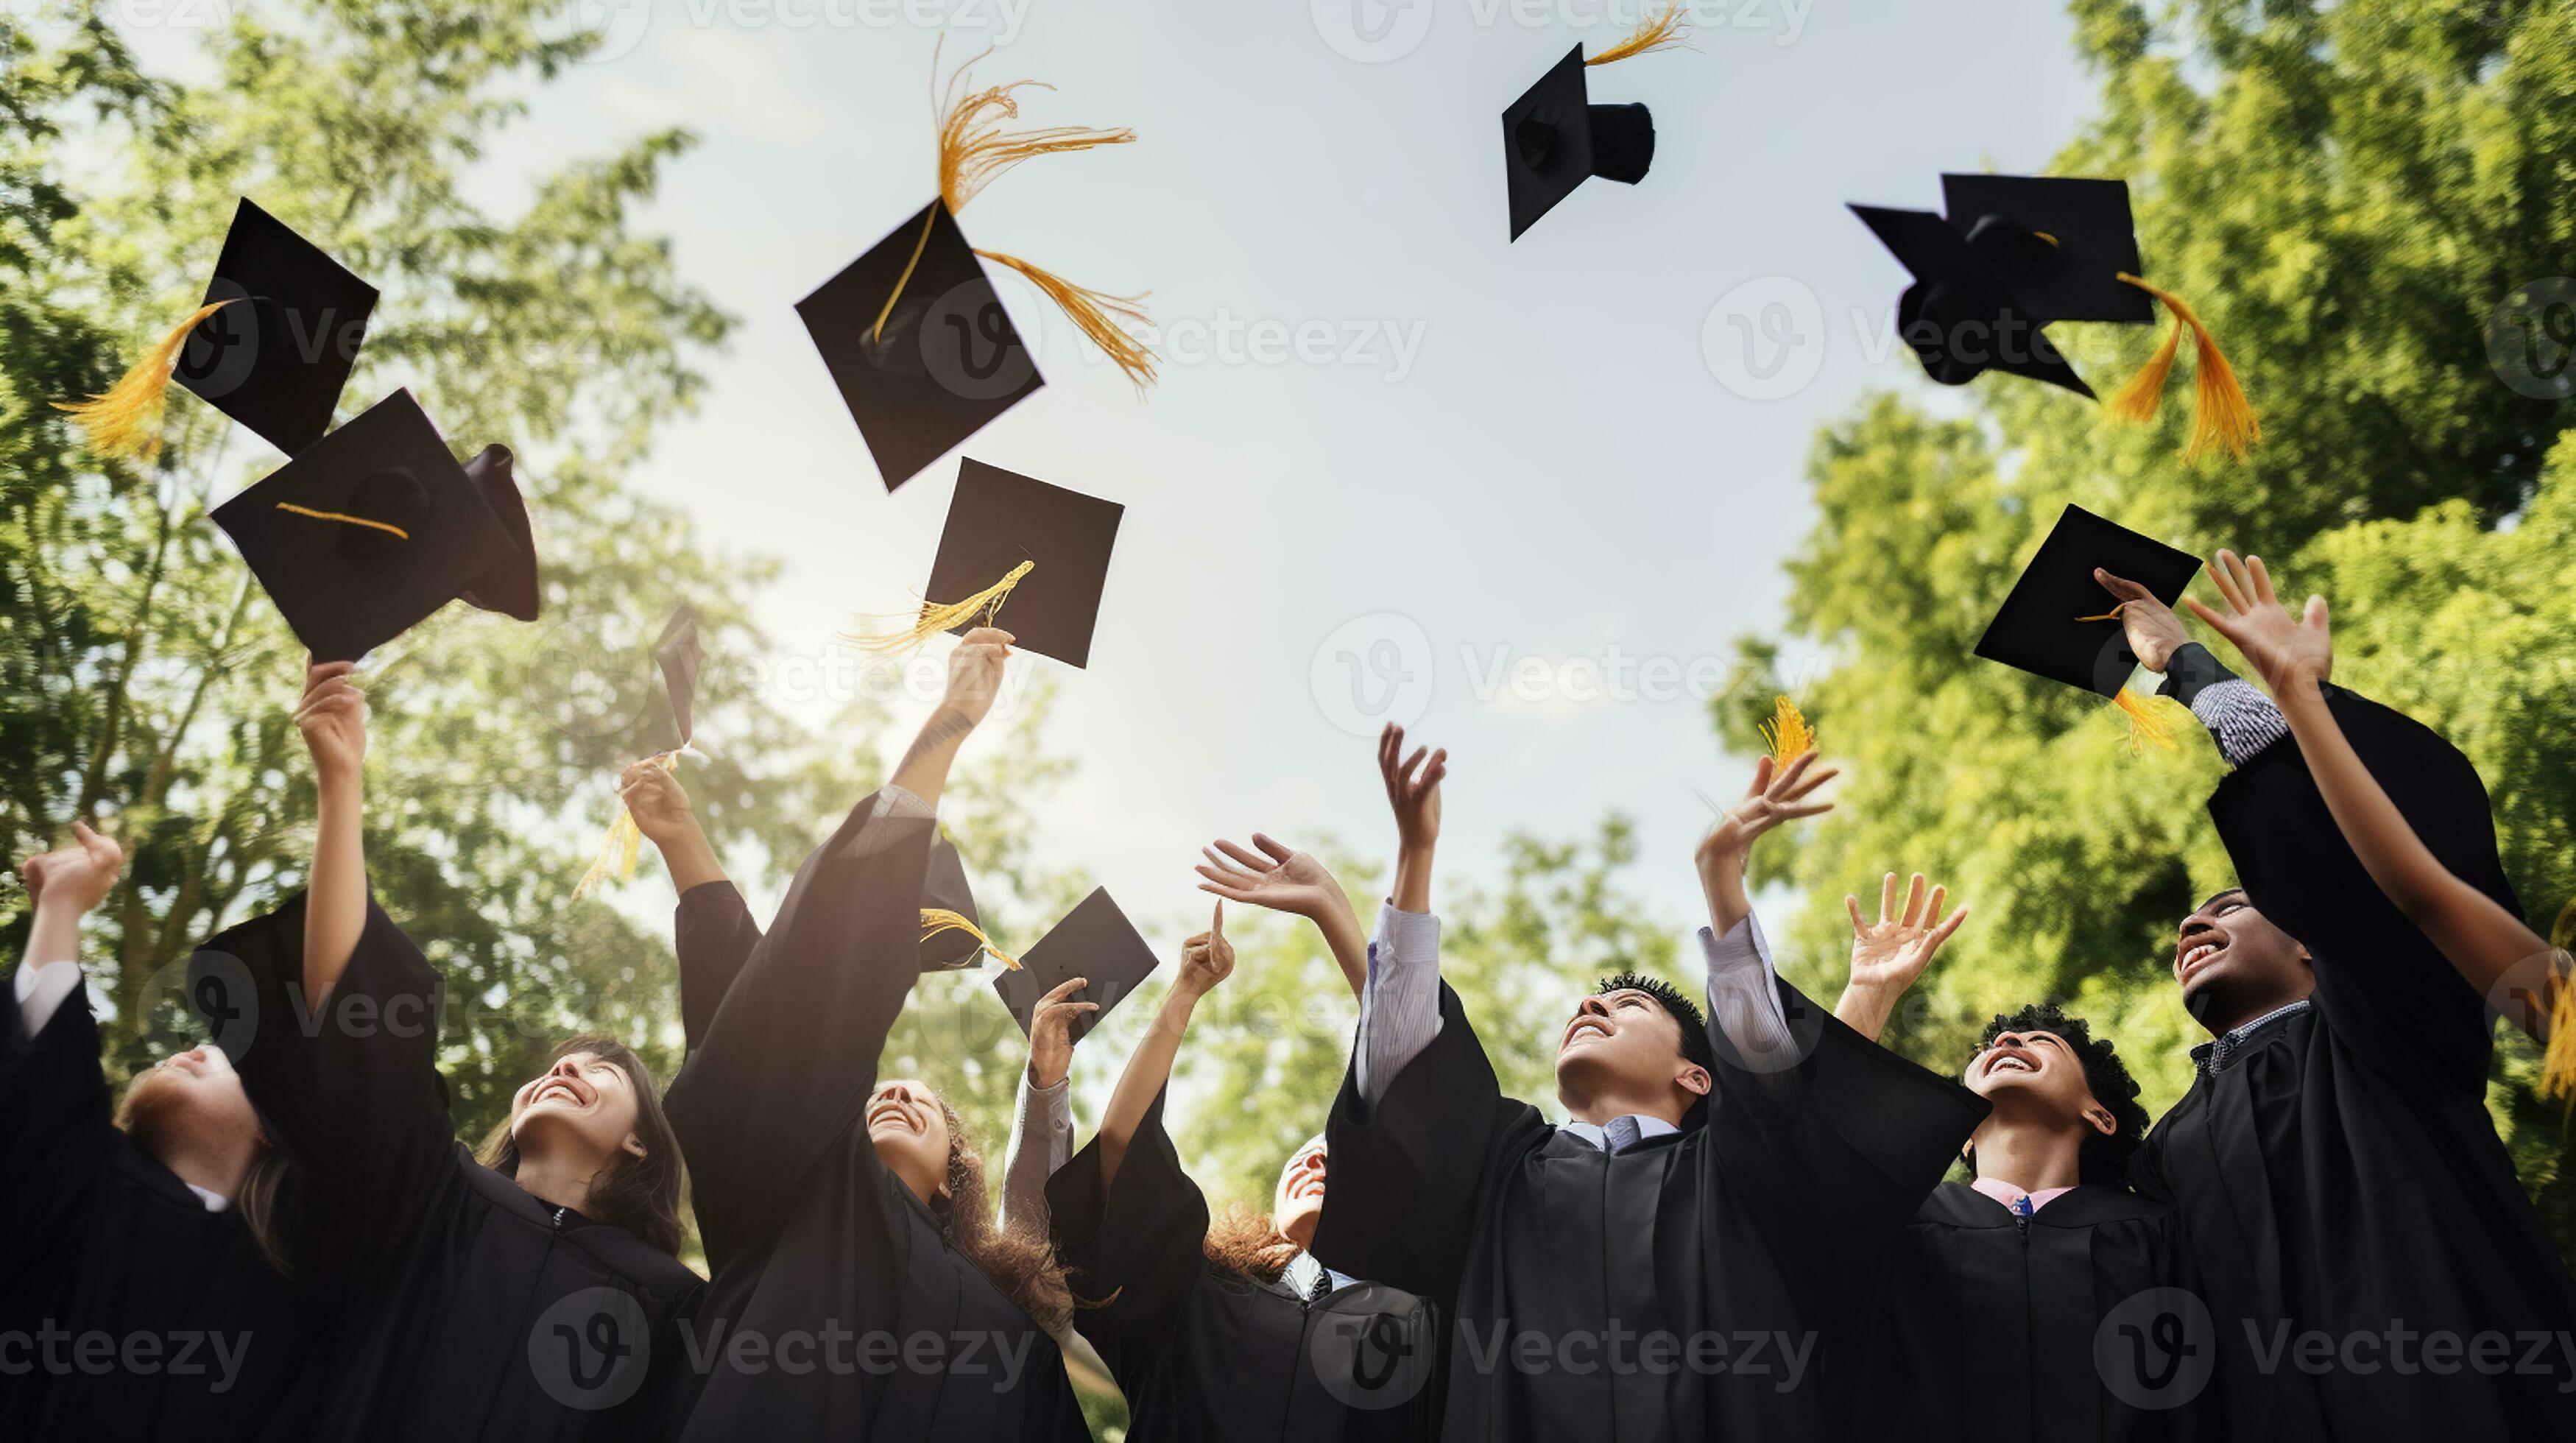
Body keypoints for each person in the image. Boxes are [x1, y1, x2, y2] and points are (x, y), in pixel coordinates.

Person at [1308, 725, 1991, 1439]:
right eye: (1586, 1005)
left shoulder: (1735, 1177)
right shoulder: (1499, 1168)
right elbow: (1414, 1072)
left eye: (1627, 1004)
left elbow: (1773, 1087)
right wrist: (1414, 860)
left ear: (1697, 1074)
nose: (1589, 1005)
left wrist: (1720, 883)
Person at [2093, 554, 2576, 1436]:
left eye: (2231, 905)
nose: (2190, 925)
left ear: (2313, 935)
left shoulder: (2383, 1028)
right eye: (2191, 920)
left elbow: (2393, 881)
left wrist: (2205, 677)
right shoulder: (2160, 1156)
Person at [188, 660, 703, 1440]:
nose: (563, 1067)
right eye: (554, 1065)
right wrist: (341, 784)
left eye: (600, 1070)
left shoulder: (675, 1305)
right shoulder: (426, 1195)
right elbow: (351, 1017)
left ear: (641, 1140)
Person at [657, 627, 1090, 1440]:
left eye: (924, 1103)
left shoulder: (1011, 1335)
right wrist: (948, 724)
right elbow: (785, 1018)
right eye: (878, 1091)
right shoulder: (792, 1196)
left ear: (955, 1177)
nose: (892, 1090)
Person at [1029, 836, 1438, 1439]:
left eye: (1343, 1160)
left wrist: (1332, 910)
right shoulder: (1191, 1296)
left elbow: (1430, 1093)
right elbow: (1121, 1152)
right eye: (1308, 1157)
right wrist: (1184, 993)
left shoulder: (1424, 1324)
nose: (1321, 1161)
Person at [1, 821, 314, 1441]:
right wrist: (59, 911)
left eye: (232, 1059)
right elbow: (43, 1084)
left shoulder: (292, 1300)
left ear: (278, 1126)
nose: (193, 1050)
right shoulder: (79, 1182)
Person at [1839, 994, 2204, 1441]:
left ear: (2100, 1116)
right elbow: (1801, 1189)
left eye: (2043, 1041)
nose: (2007, 1039)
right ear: (1964, 1137)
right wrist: (1870, 991)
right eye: (1988, 1048)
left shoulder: (2159, 1236)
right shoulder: (1895, 1223)